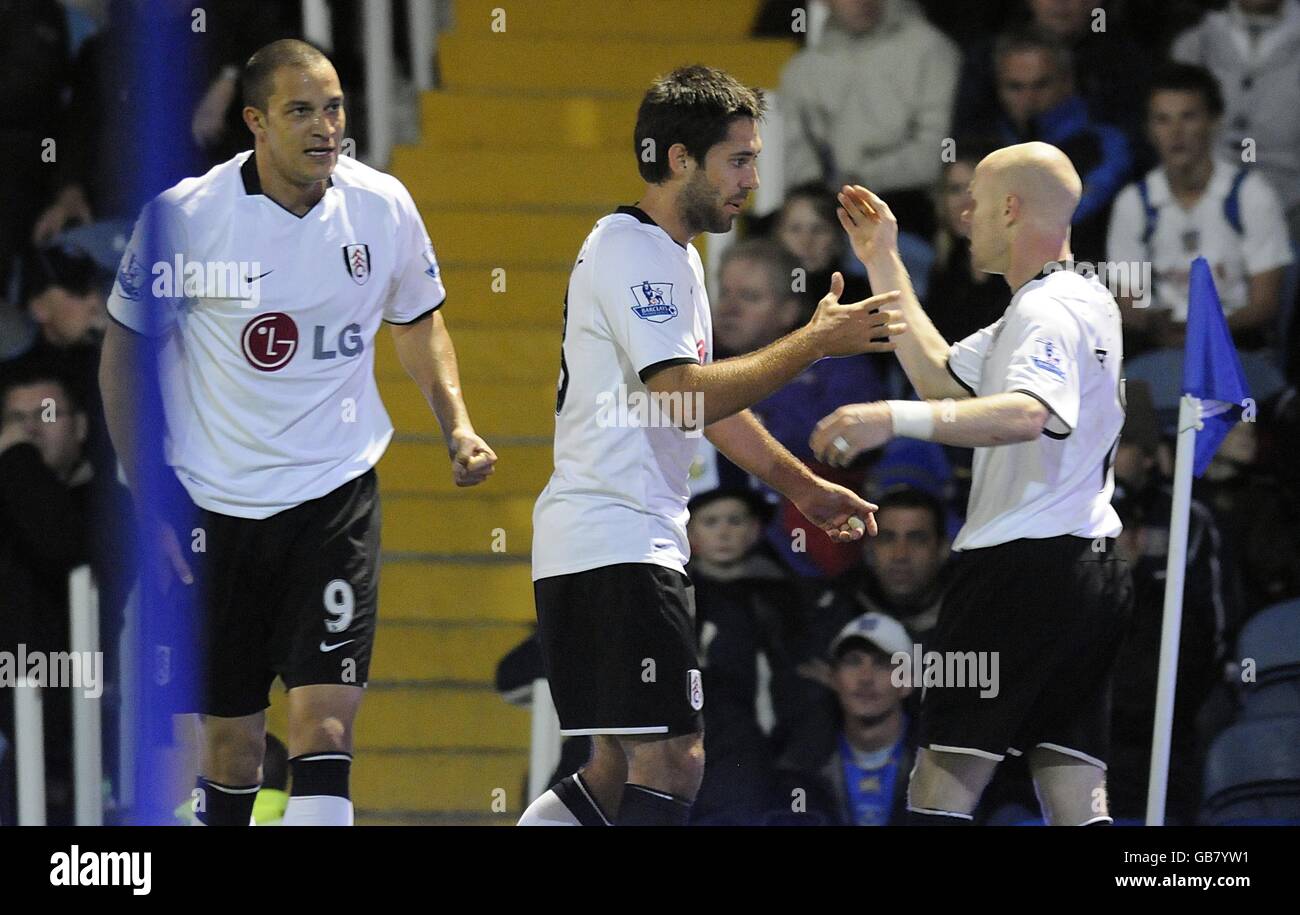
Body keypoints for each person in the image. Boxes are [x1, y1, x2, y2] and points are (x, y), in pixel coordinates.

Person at [99, 39, 497, 826]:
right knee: (234, 748)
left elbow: (418, 321)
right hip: (213, 506)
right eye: (302, 111)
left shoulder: (380, 205)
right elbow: (123, 360)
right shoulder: (186, 220)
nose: (327, 127)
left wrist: (457, 422)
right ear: (254, 121)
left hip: (333, 496)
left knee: (325, 728)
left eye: (337, 106)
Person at [521, 65, 906, 827]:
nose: (753, 181)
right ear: (678, 160)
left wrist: (803, 486)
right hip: (616, 539)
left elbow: (701, 404)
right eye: (739, 160)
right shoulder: (635, 251)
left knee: (612, 768)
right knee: (675, 757)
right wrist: (813, 343)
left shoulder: (675, 255)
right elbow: (684, 393)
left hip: (607, 538)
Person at [810, 142, 1134, 825]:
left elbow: (1025, 413)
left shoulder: (1047, 313)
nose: (964, 215)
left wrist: (886, 418)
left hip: (1019, 569)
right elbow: (941, 378)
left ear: (1011, 209)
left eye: (977, 202)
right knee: (1075, 791)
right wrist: (881, 258)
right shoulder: (1066, 302)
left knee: (941, 786)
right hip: (1088, 571)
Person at [1106, 63, 1293, 406]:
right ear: (1149, 128)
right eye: (1162, 119)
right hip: (1159, 349)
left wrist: (1204, 331)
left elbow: (1266, 302)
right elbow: (1127, 298)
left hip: (1238, 348)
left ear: (1214, 120)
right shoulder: (1134, 202)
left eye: (1188, 117)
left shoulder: (1250, 195)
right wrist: (1151, 322)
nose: (1175, 132)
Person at [777, 0, 960, 238]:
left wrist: (859, 182)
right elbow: (795, 151)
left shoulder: (933, 52)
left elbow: (937, 151)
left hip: (913, 211)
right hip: (827, 211)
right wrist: (822, 195)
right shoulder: (802, 70)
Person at [684, 488, 803, 824]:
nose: (723, 532)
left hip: (751, 744)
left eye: (735, 521)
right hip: (678, 739)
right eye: (710, 522)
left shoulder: (781, 596)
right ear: (690, 534)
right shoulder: (670, 593)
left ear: (755, 530)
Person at [989, 28, 1132, 261]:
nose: (1028, 99)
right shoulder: (990, 146)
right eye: (1015, 87)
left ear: (1068, 81)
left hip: (1086, 274)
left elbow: (1075, 210)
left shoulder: (1104, 144)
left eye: (1040, 85)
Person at [778, 612, 916, 826]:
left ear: (907, 681)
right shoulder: (799, 765)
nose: (865, 678)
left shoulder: (941, 768)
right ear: (833, 678)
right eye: (853, 662)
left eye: (881, 663)